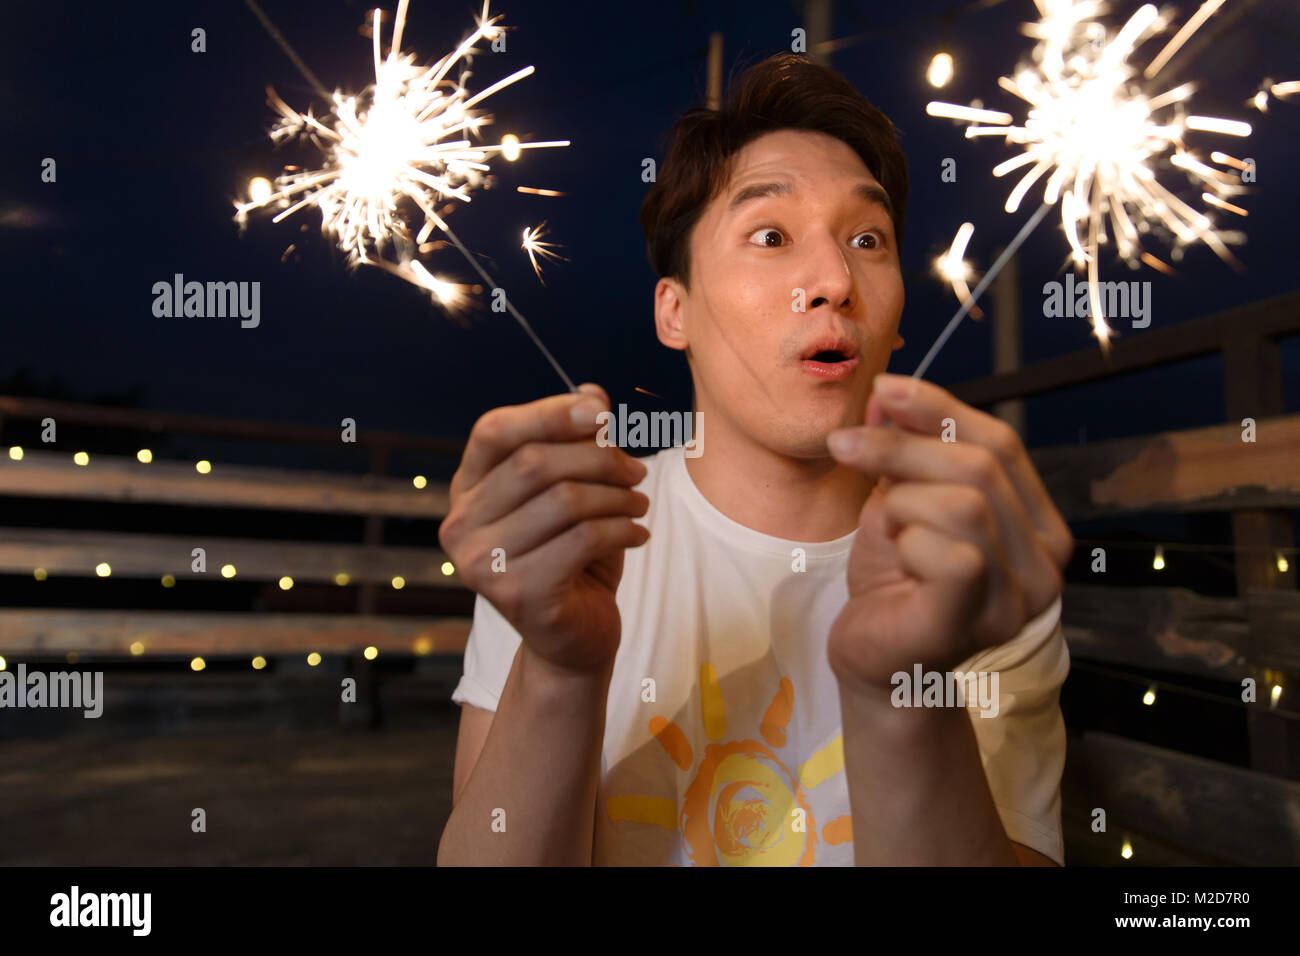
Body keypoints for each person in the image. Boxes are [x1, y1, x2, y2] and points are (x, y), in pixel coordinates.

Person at [437, 53, 1073, 866]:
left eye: (868, 239)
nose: (835, 280)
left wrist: (901, 697)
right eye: (771, 235)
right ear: (676, 311)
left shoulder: (972, 560)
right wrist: (560, 669)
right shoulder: (570, 541)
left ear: (900, 320)